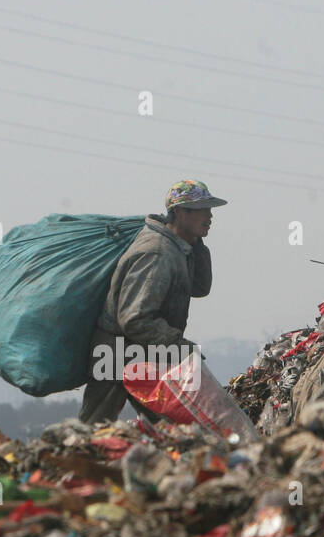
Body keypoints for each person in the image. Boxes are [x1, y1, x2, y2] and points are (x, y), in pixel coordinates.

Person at [79, 179, 222, 424]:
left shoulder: (180, 249)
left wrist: (196, 245)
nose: (209, 216)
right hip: (118, 355)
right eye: (202, 210)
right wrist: (180, 346)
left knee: (171, 427)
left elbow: (199, 287)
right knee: (94, 429)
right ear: (179, 212)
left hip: (146, 353)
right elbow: (135, 319)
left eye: (210, 210)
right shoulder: (157, 252)